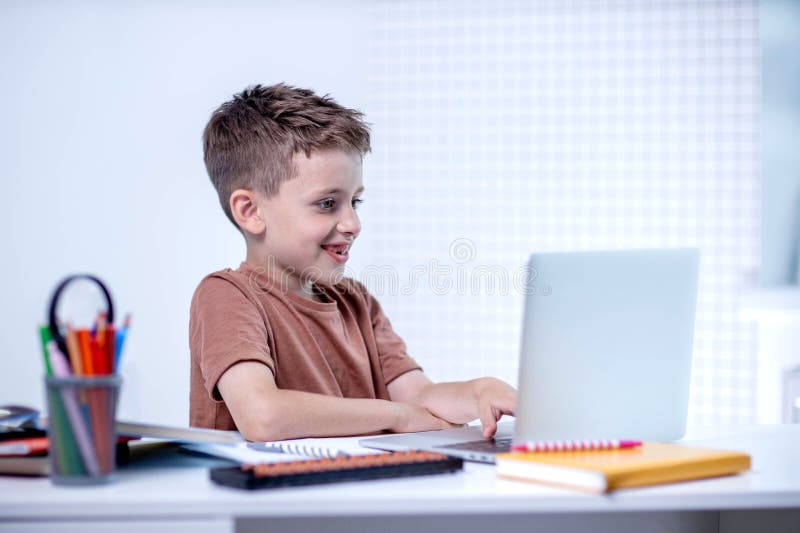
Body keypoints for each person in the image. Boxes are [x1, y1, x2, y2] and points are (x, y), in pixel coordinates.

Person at [190, 83, 516, 442]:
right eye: (328, 203)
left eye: (354, 202)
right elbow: (263, 416)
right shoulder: (227, 296)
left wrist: (479, 392)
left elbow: (420, 397)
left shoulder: (356, 303)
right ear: (250, 212)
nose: (352, 224)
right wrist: (398, 417)